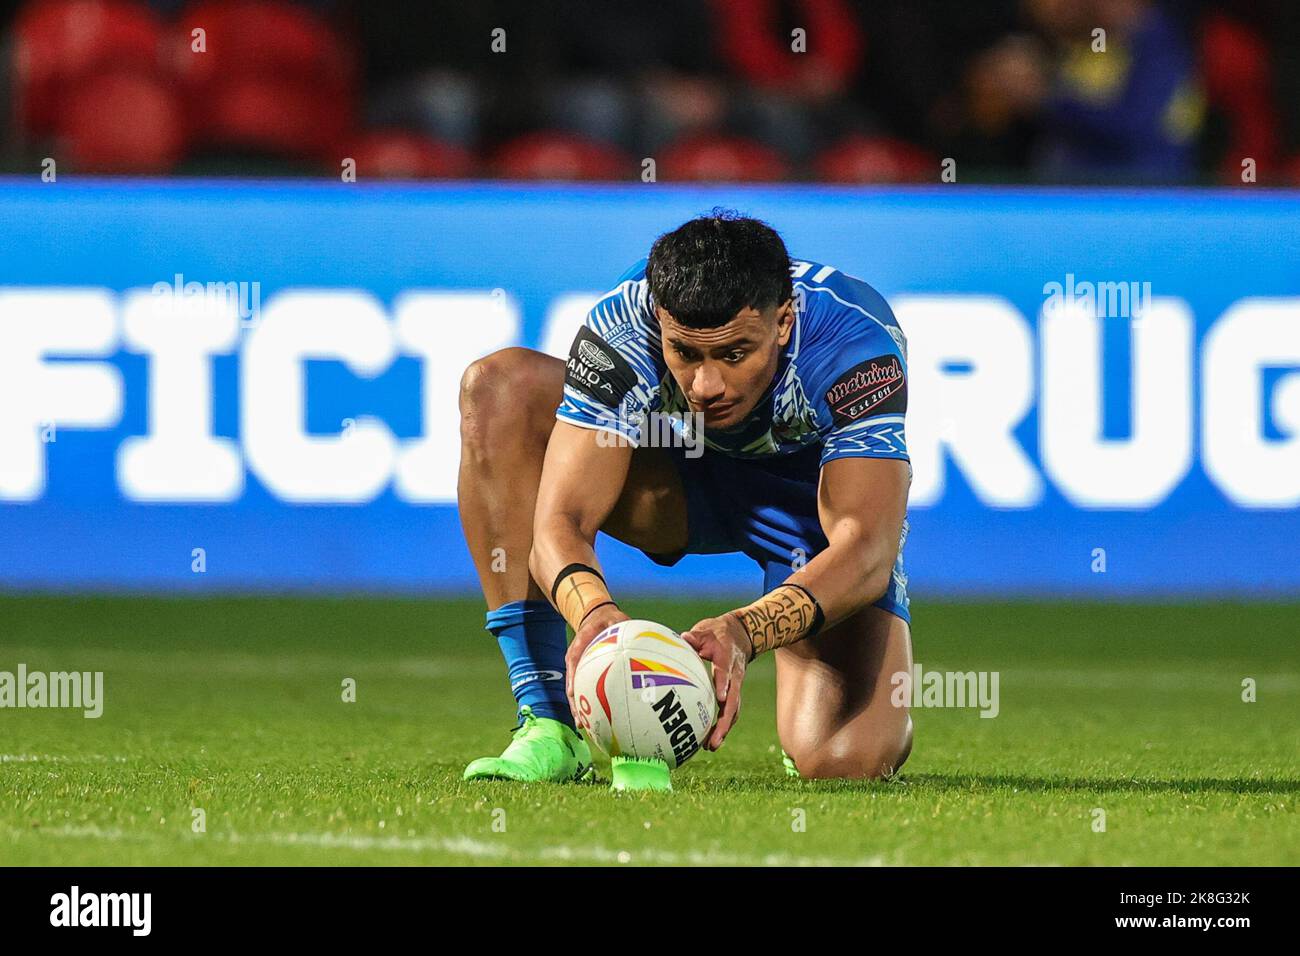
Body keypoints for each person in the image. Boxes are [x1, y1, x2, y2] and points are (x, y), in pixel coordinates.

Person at [458, 211, 913, 789]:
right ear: (659, 322)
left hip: (809, 512)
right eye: (685, 353)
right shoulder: (623, 325)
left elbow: (867, 547)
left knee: (843, 760)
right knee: (500, 389)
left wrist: (744, 631)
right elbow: (561, 521)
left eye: (734, 353)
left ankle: (810, 712)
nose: (706, 386)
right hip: (674, 478)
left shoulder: (854, 340)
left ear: (783, 321)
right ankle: (549, 725)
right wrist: (595, 618)